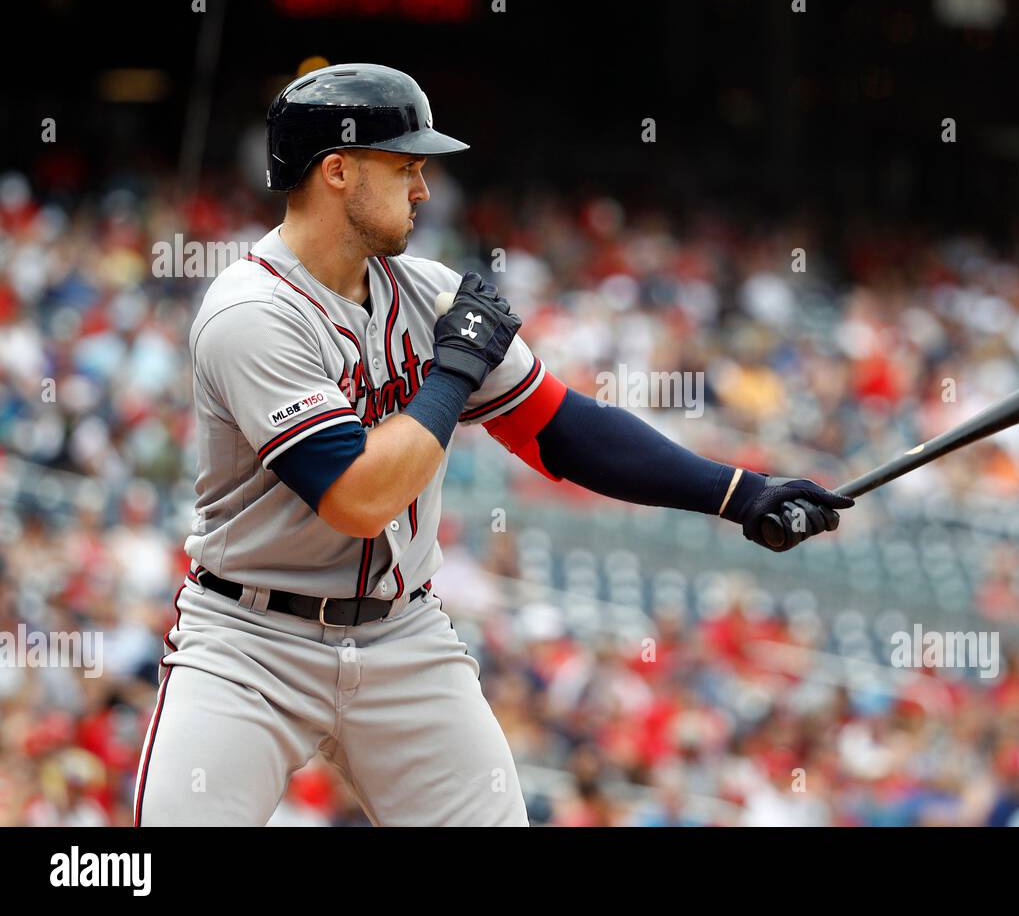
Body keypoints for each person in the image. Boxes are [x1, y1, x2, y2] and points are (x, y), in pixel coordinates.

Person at [132, 63, 852, 826]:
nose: (424, 188)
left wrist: (740, 493)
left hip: (398, 635)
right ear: (336, 171)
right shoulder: (250, 312)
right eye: (405, 166)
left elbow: (561, 429)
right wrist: (451, 373)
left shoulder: (427, 291)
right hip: (250, 644)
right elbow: (359, 497)